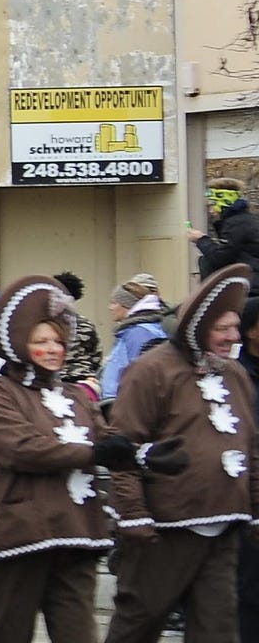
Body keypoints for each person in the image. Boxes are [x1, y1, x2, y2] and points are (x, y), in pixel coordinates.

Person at [0, 275, 156, 643]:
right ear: (18, 344)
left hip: (75, 533)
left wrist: (144, 455)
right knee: (10, 635)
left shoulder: (76, 395)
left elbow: (106, 440)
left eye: (58, 341)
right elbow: (23, 448)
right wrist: (92, 453)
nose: (52, 348)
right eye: (40, 340)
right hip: (16, 538)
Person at [105, 264, 259, 643]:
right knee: (138, 625)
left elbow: (250, 448)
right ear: (199, 325)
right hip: (163, 530)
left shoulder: (235, 375)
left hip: (224, 526)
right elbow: (120, 447)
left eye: (234, 327)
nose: (231, 336)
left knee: (218, 629)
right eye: (222, 328)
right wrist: (134, 515)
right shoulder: (151, 370)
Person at [107, 273, 170, 401]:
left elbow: (137, 374)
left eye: (114, 303)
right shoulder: (136, 330)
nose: (110, 308)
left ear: (126, 305)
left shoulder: (138, 333)